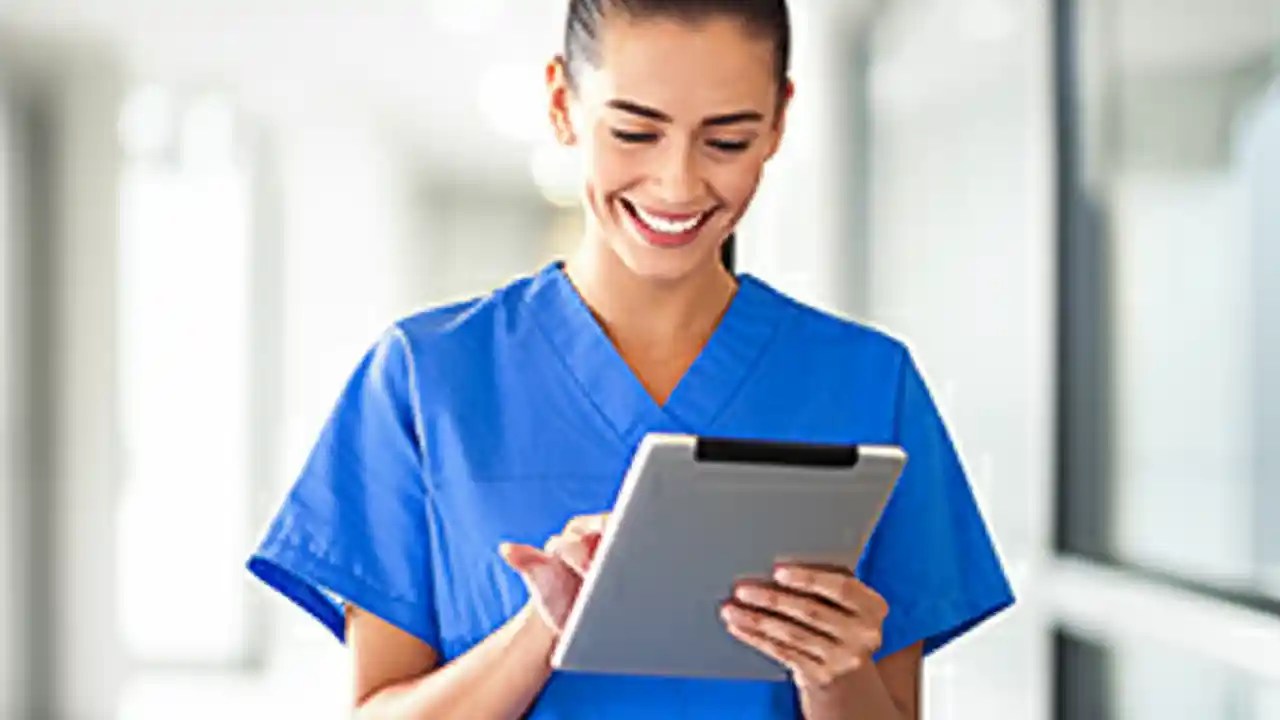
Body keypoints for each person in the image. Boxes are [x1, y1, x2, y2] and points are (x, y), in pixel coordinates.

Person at [246, 0, 1015, 717]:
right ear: (561, 104)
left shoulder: (869, 386)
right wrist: (544, 632)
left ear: (780, 121)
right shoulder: (425, 379)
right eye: (636, 133)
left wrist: (836, 672)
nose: (677, 184)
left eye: (727, 141)